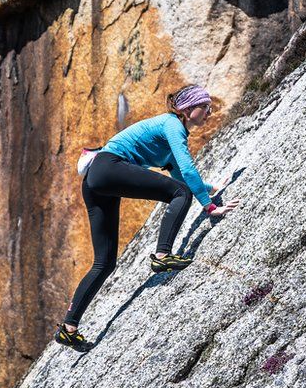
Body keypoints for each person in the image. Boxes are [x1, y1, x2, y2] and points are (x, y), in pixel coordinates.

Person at [54, 84, 240, 351]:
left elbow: (178, 172)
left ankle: (69, 328)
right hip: (109, 168)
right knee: (181, 193)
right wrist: (209, 207)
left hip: (96, 180)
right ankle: (163, 256)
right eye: (205, 107)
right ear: (187, 110)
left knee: (104, 263)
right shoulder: (172, 125)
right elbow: (185, 172)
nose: (209, 112)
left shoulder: (169, 131)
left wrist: (210, 188)